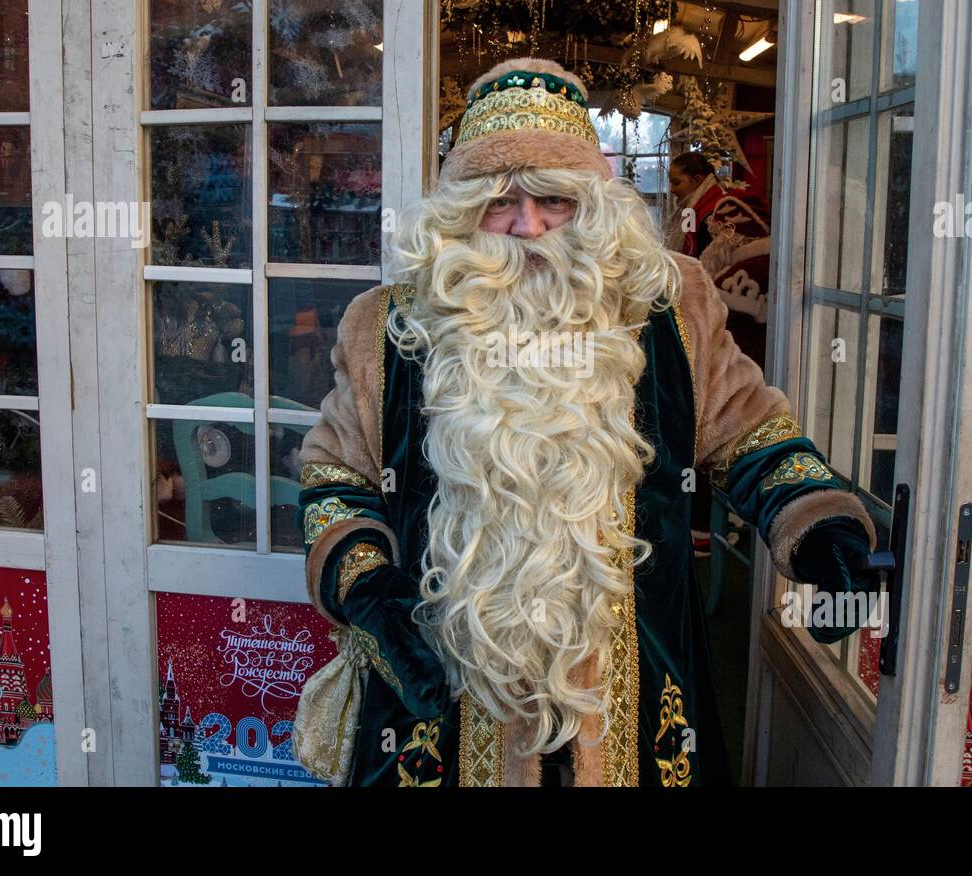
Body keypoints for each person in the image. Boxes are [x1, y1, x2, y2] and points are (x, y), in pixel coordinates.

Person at [295, 56, 880, 787]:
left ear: (592, 207)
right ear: (460, 211)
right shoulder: (386, 328)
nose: (528, 227)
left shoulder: (672, 309)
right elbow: (334, 477)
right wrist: (375, 601)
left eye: (554, 201)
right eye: (499, 203)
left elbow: (751, 431)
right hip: (441, 694)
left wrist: (820, 528)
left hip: (634, 690)